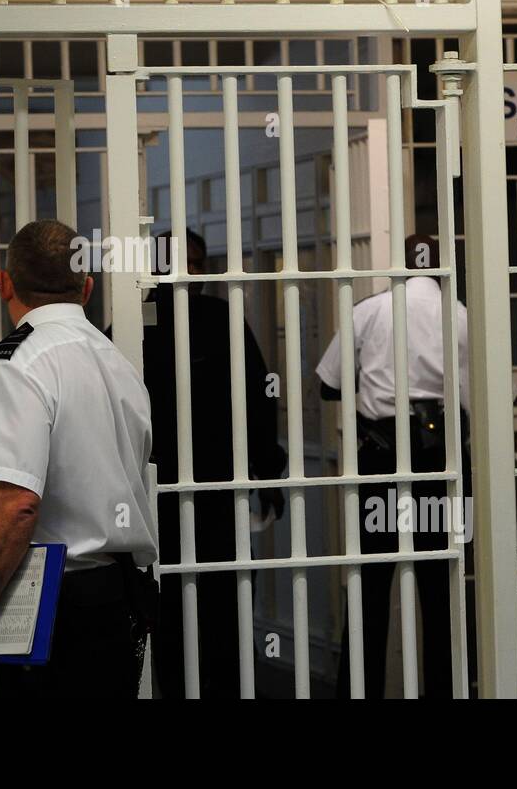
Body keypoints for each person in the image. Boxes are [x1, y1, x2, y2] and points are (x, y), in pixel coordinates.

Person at [0, 219, 158, 698]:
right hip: (117, 598)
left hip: (51, 604)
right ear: (87, 287)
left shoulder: (19, 364)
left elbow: (16, 504)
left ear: (4, 284)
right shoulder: (117, 363)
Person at [316, 234, 470, 698]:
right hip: (441, 463)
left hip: (382, 458)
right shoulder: (460, 315)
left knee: (371, 581)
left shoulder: (371, 310)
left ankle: (359, 690)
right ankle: (447, 688)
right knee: (442, 582)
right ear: (441, 264)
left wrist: (373, 386)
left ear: (400, 264)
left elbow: (326, 384)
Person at [143, 230, 287, 698]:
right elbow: (260, 399)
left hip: (163, 496)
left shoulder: (131, 325)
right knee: (221, 614)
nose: (196, 272)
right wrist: (267, 471)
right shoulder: (220, 318)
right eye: (191, 262)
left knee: (172, 619)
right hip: (208, 494)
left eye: (200, 262)